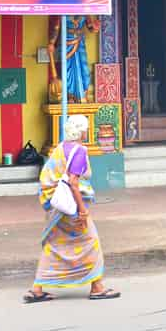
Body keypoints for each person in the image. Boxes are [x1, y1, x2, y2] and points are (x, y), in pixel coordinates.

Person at [25, 115, 120, 303]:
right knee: (91, 241)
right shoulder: (79, 151)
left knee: (54, 245)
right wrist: (82, 210)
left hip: (55, 206)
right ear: (82, 131)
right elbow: (74, 183)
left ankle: (37, 289)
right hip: (71, 208)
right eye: (86, 128)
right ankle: (97, 287)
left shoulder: (60, 148)